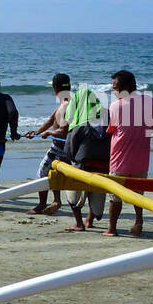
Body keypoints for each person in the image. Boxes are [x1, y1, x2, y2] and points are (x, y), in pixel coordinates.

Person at [104, 70, 153, 236]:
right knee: (139, 195)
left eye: (115, 88)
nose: (114, 92)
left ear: (125, 87)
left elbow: (111, 130)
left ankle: (112, 228)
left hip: (119, 159)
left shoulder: (115, 106)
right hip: (141, 158)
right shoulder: (149, 101)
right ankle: (138, 222)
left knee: (115, 196)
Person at [62, 87, 110, 232]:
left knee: (73, 195)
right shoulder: (106, 119)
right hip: (103, 164)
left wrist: (71, 160)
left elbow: (69, 148)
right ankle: (90, 219)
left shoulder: (80, 123)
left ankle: (79, 223)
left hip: (83, 164)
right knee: (96, 191)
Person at [26, 73, 72, 215]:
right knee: (54, 174)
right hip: (67, 149)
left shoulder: (65, 105)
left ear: (55, 88)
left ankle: (41, 204)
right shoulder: (67, 101)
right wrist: (36, 132)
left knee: (42, 174)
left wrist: (49, 133)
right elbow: (51, 119)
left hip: (59, 149)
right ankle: (56, 200)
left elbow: (63, 131)